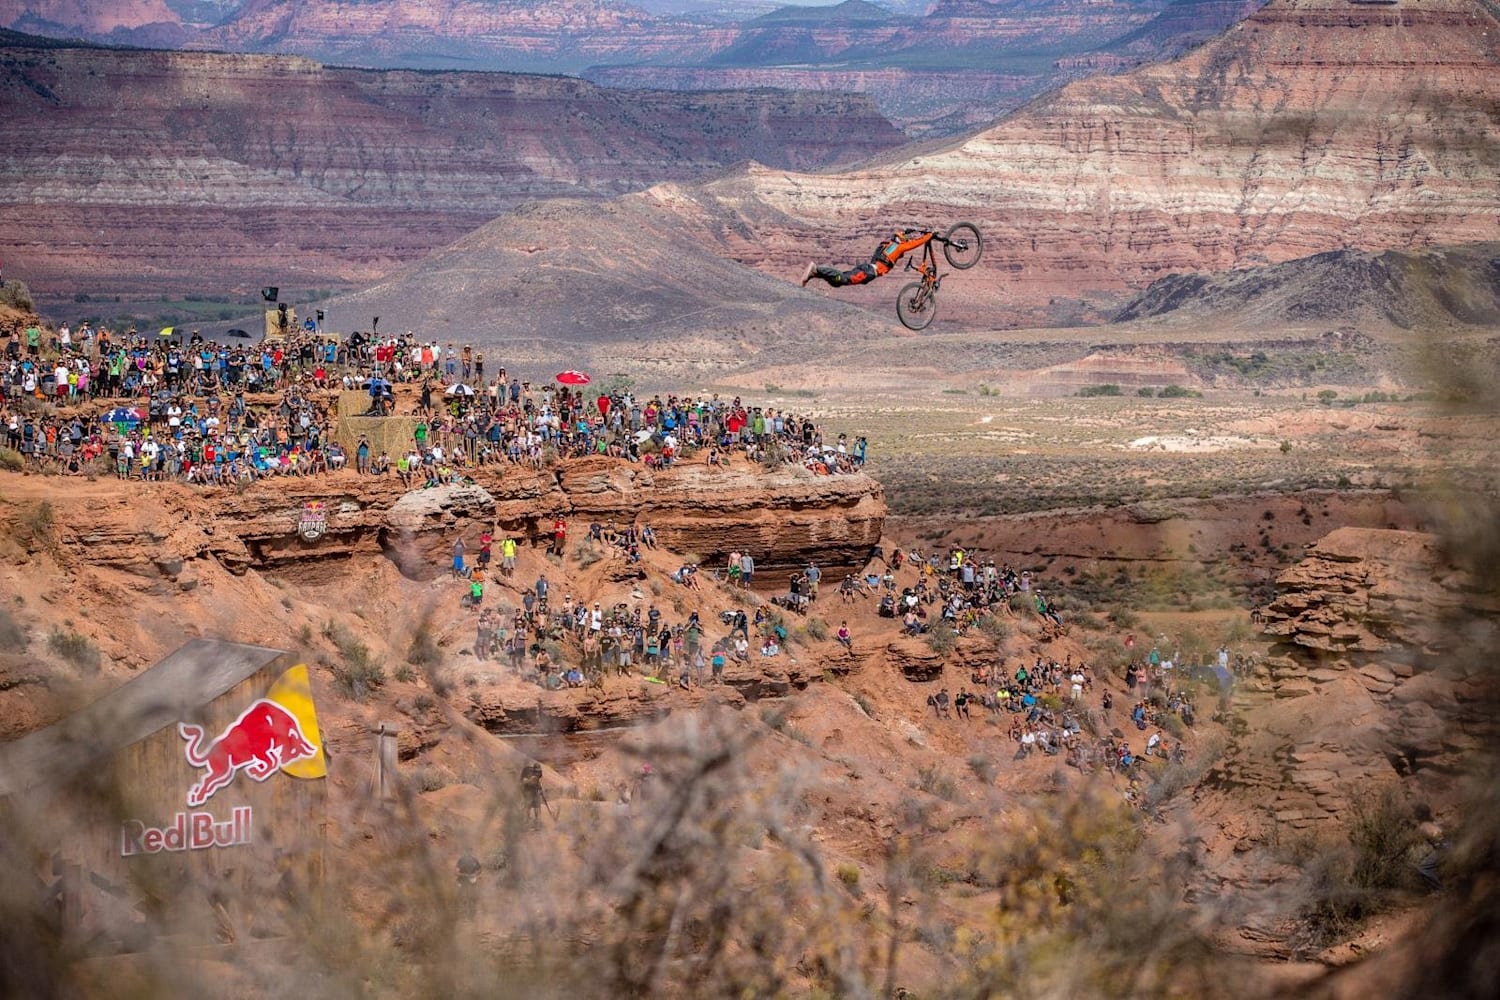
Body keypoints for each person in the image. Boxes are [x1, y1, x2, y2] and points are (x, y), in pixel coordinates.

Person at [800, 229, 934, 288]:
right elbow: (915, 243)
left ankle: (815, 274)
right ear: (902, 240)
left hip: (867, 268)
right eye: (905, 240)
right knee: (844, 279)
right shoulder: (898, 247)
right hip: (869, 271)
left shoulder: (886, 245)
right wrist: (929, 236)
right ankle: (816, 269)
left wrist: (905, 233)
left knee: (837, 283)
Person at [520, 760, 544, 829]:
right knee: (528, 807)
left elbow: (539, 780)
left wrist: (540, 788)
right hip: (528, 792)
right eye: (536, 771)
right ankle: (526, 822)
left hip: (535, 791)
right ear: (533, 770)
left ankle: (537, 823)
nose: (537, 773)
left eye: (538, 771)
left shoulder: (539, 773)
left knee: (537, 807)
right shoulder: (528, 772)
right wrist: (530, 780)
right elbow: (524, 782)